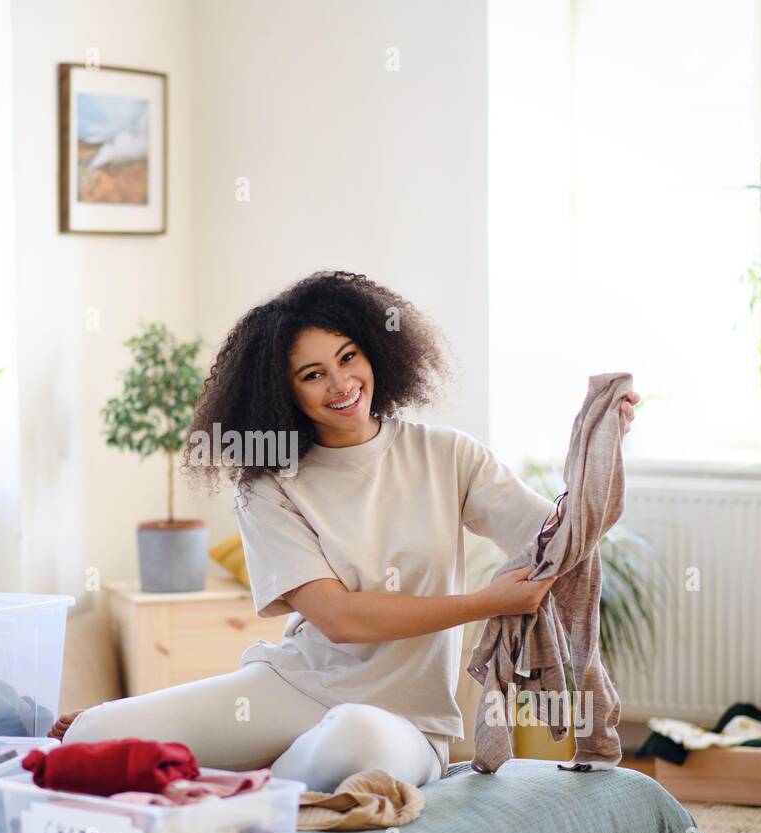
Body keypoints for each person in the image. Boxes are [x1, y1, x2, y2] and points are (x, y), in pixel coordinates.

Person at [55, 271, 637, 792]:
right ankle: (251, 771)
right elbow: (338, 618)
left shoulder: (447, 455)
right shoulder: (267, 483)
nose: (341, 383)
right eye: (313, 374)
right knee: (95, 731)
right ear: (285, 394)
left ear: (377, 352)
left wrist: (603, 446)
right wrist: (486, 602)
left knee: (353, 742)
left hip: (405, 722)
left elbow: (559, 541)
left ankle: (245, 785)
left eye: (349, 356)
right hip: (297, 687)